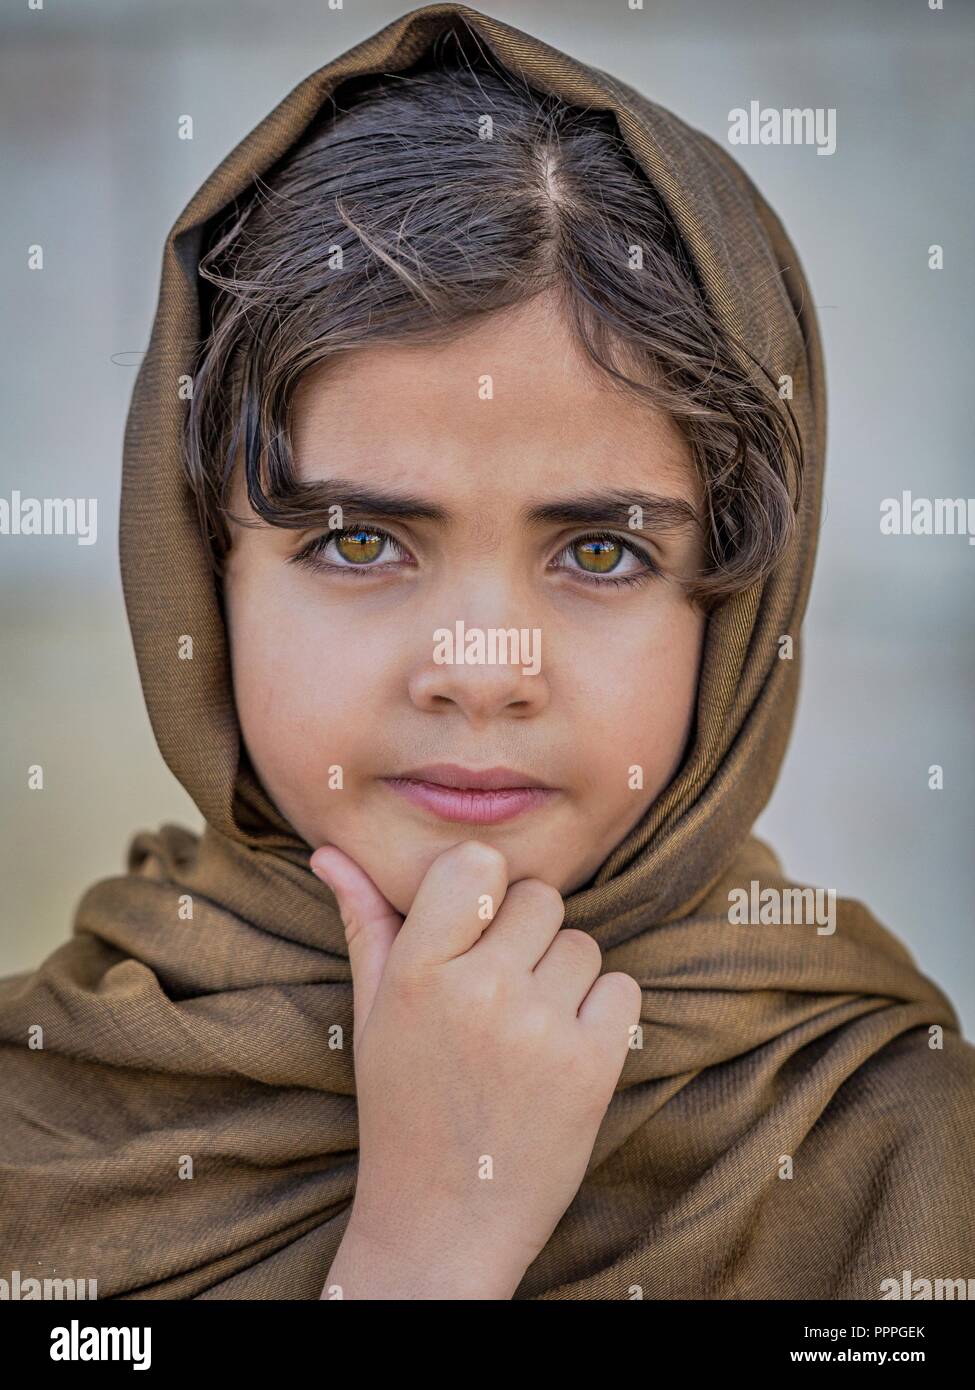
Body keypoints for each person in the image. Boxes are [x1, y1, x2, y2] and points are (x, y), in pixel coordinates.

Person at [1, 4, 972, 1301]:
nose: (478, 664)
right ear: (200, 563)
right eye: (356, 541)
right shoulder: (42, 1121)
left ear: (736, 611)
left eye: (602, 553)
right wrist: (422, 1255)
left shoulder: (897, 1141)